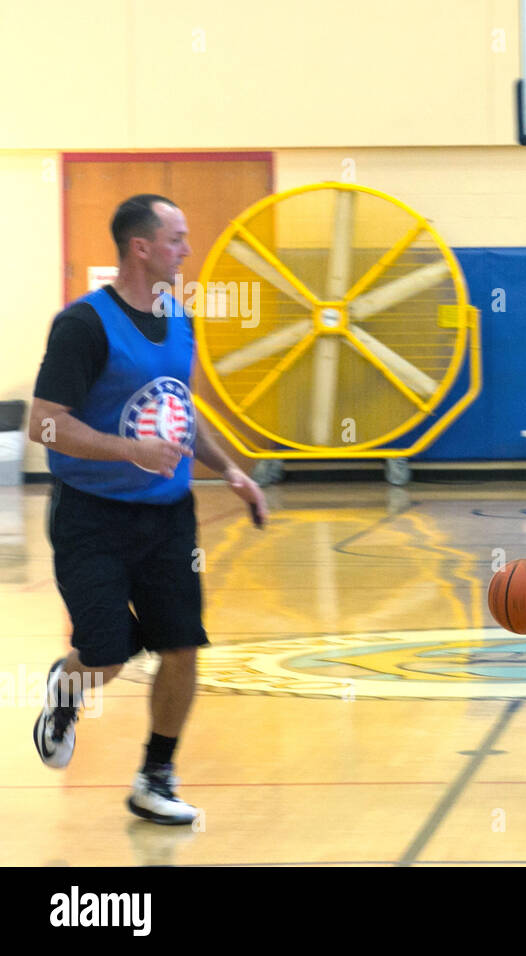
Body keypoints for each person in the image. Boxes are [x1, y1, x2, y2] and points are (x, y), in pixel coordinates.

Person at [29, 194, 269, 824]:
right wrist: (129, 449)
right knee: (106, 656)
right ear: (141, 247)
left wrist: (232, 471)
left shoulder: (176, 316)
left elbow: (183, 408)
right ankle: (68, 684)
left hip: (169, 518)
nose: (187, 250)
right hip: (92, 515)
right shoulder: (83, 324)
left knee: (181, 644)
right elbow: (45, 427)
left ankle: (155, 777)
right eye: (177, 239)